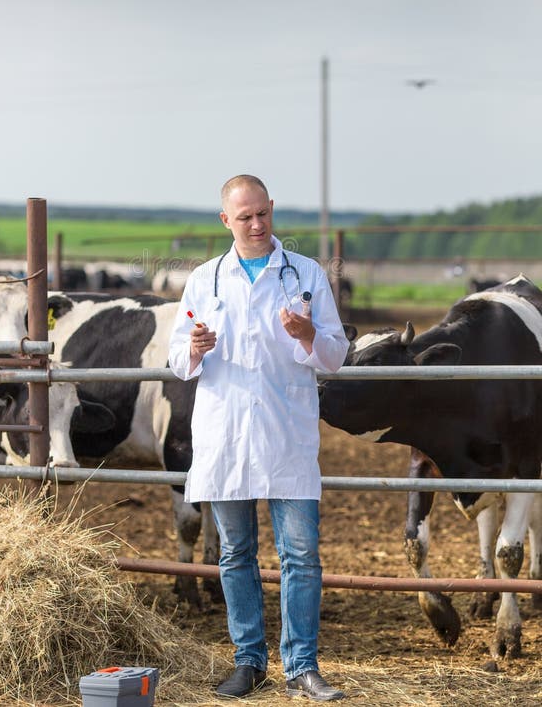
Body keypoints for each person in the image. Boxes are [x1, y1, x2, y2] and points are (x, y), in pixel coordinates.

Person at [168, 174, 349, 701]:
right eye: (242, 217)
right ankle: (249, 662)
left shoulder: (306, 274)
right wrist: (196, 346)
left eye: (261, 214)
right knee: (234, 554)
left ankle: (302, 667)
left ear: (273, 210)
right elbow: (179, 361)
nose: (254, 224)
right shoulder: (205, 280)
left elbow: (335, 356)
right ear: (225, 221)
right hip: (226, 437)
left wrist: (309, 335)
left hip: (286, 435)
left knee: (300, 555)